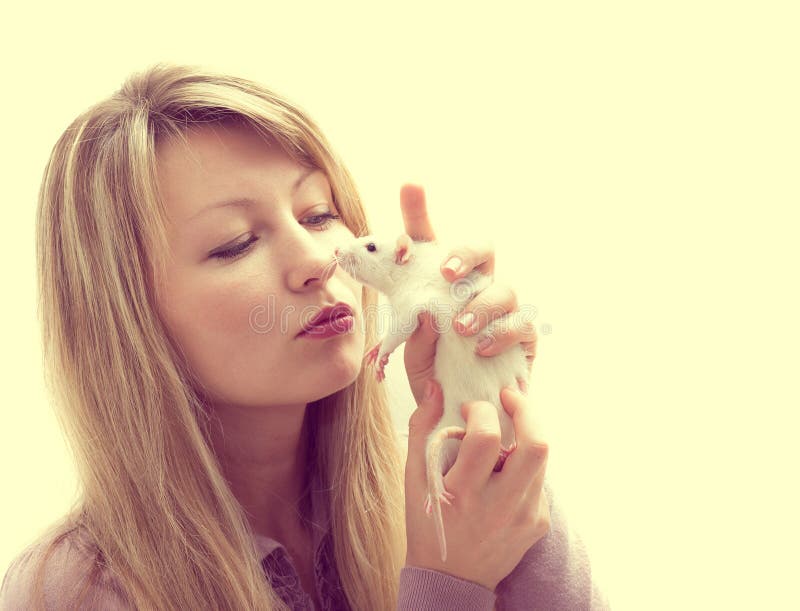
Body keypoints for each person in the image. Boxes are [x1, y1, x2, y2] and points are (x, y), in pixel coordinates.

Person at [0, 63, 609, 610]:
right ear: (127, 319)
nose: (320, 260)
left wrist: (484, 434)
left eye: (318, 214)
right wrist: (449, 586)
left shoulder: (421, 493)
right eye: (235, 242)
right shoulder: (71, 591)